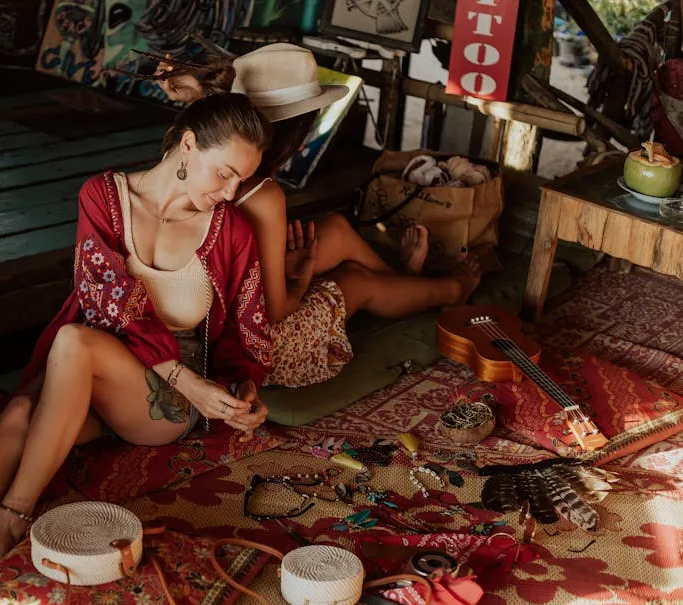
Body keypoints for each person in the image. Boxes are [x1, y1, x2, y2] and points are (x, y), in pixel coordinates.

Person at [0, 92, 274, 605]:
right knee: (19, 415)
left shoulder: (231, 231)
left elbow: (246, 333)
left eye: (240, 182)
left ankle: (8, 524)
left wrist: (241, 393)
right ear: (189, 144)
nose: (230, 193)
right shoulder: (104, 197)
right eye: (224, 174)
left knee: (74, 343)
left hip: (166, 405)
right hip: (90, 376)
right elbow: (108, 301)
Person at [153, 43, 481, 388]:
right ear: (294, 133)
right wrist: (302, 277)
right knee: (355, 279)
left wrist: (194, 93)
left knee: (336, 230)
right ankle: (450, 290)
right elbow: (276, 311)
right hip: (243, 343)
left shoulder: (187, 146)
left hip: (215, 291)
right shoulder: (260, 193)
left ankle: (405, 280)